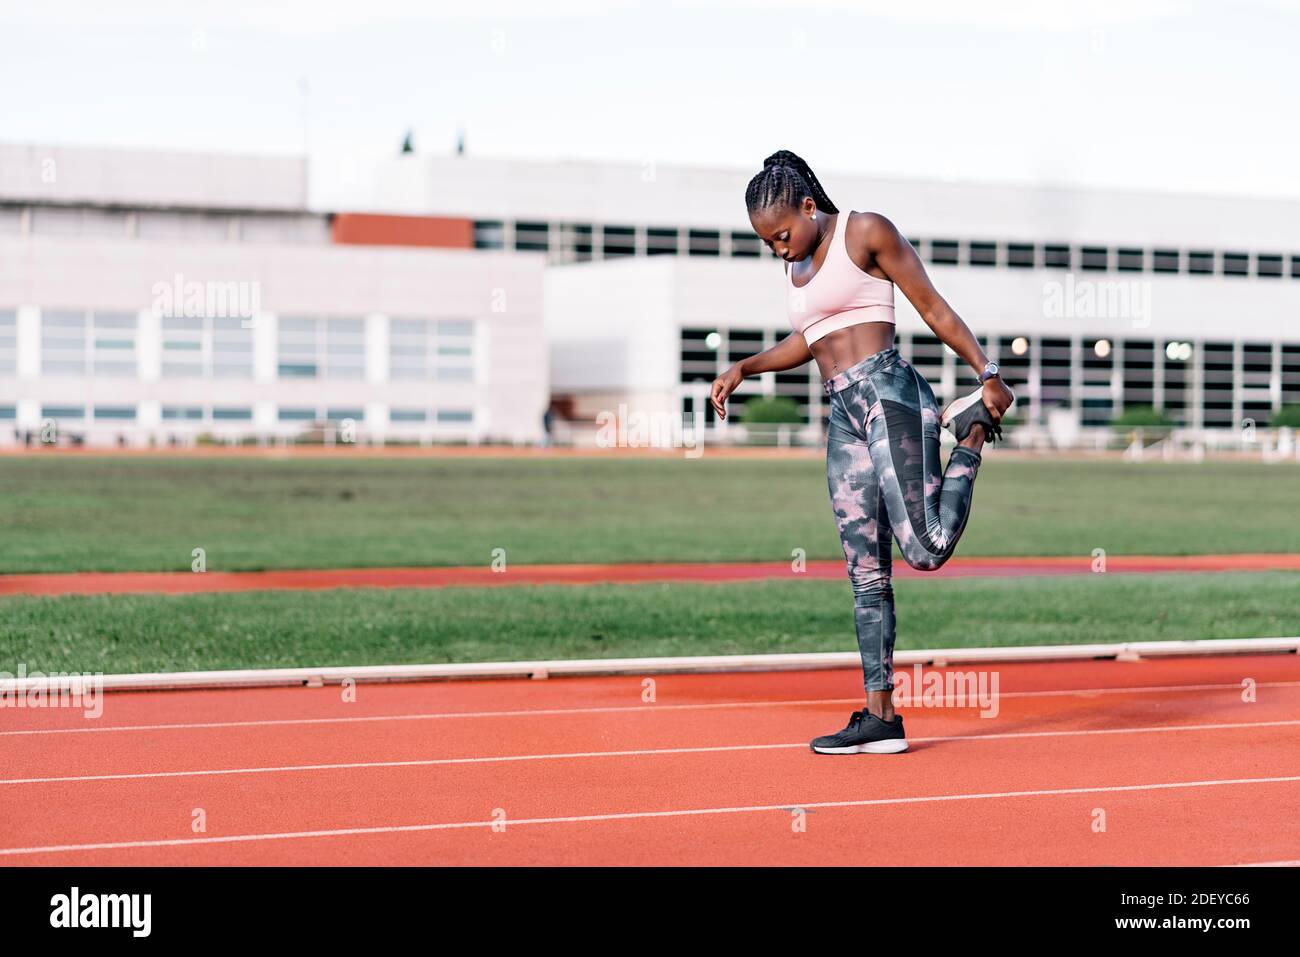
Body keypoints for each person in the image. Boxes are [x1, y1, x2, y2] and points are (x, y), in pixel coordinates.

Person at [711, 150, 1016, 755]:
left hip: (889, 395)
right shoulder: (797, 267)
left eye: (781, 235)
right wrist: (745, 366)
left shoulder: (866, 230)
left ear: (807, 206)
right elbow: (811, 338)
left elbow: (931, 305)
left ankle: (973, 432)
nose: (778, 249)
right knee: (865, 571)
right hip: (843, 413)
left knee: (924, 549)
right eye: (767, 243)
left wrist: (988, 373)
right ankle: (881, 717)